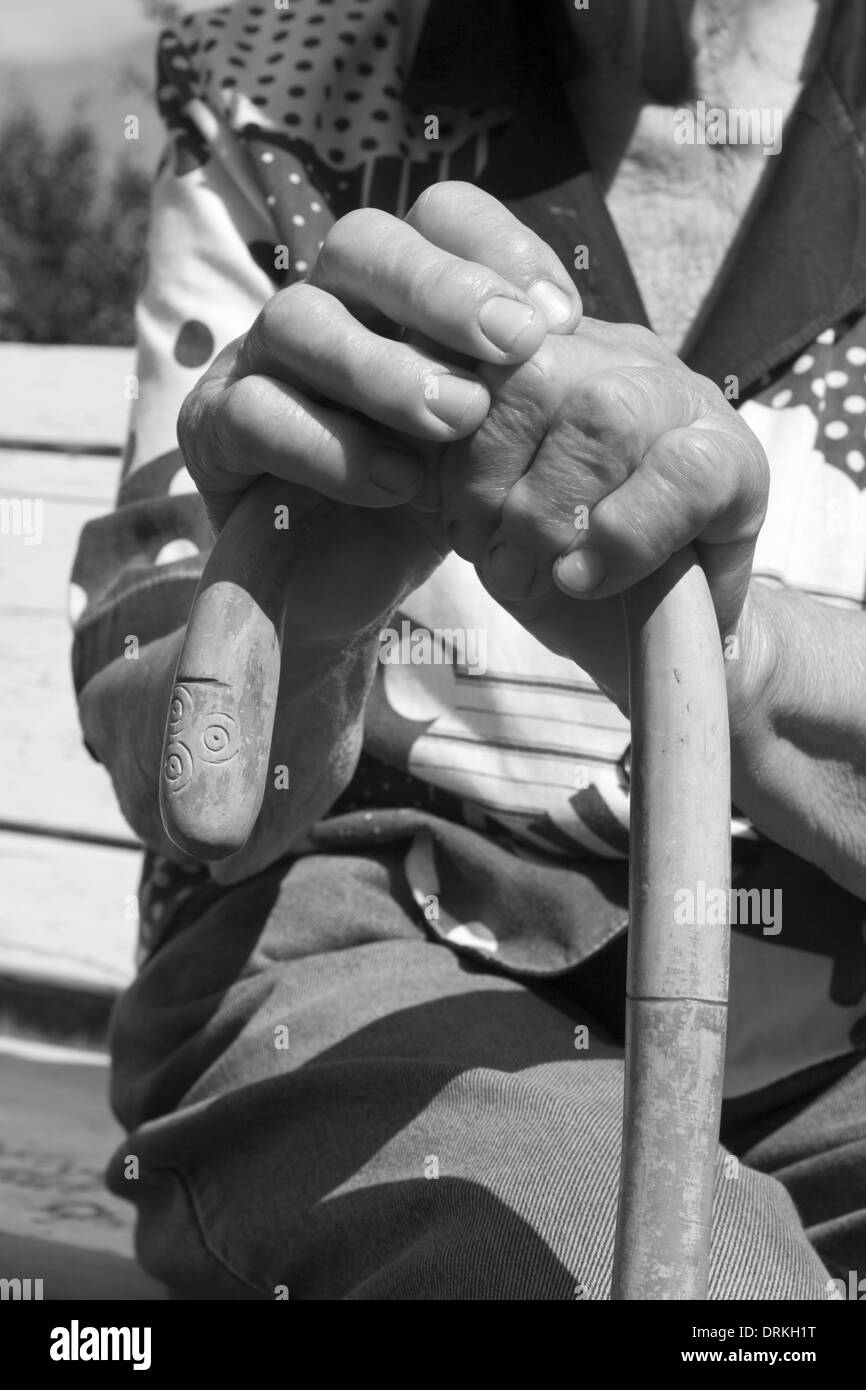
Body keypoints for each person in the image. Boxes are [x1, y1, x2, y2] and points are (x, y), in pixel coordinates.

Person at [70, 0, 866, 1299]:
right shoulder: (281, 84)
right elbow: (185, 781)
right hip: (373, 952)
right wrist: (292, 609)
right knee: (693, 1282)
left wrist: (724, 648)